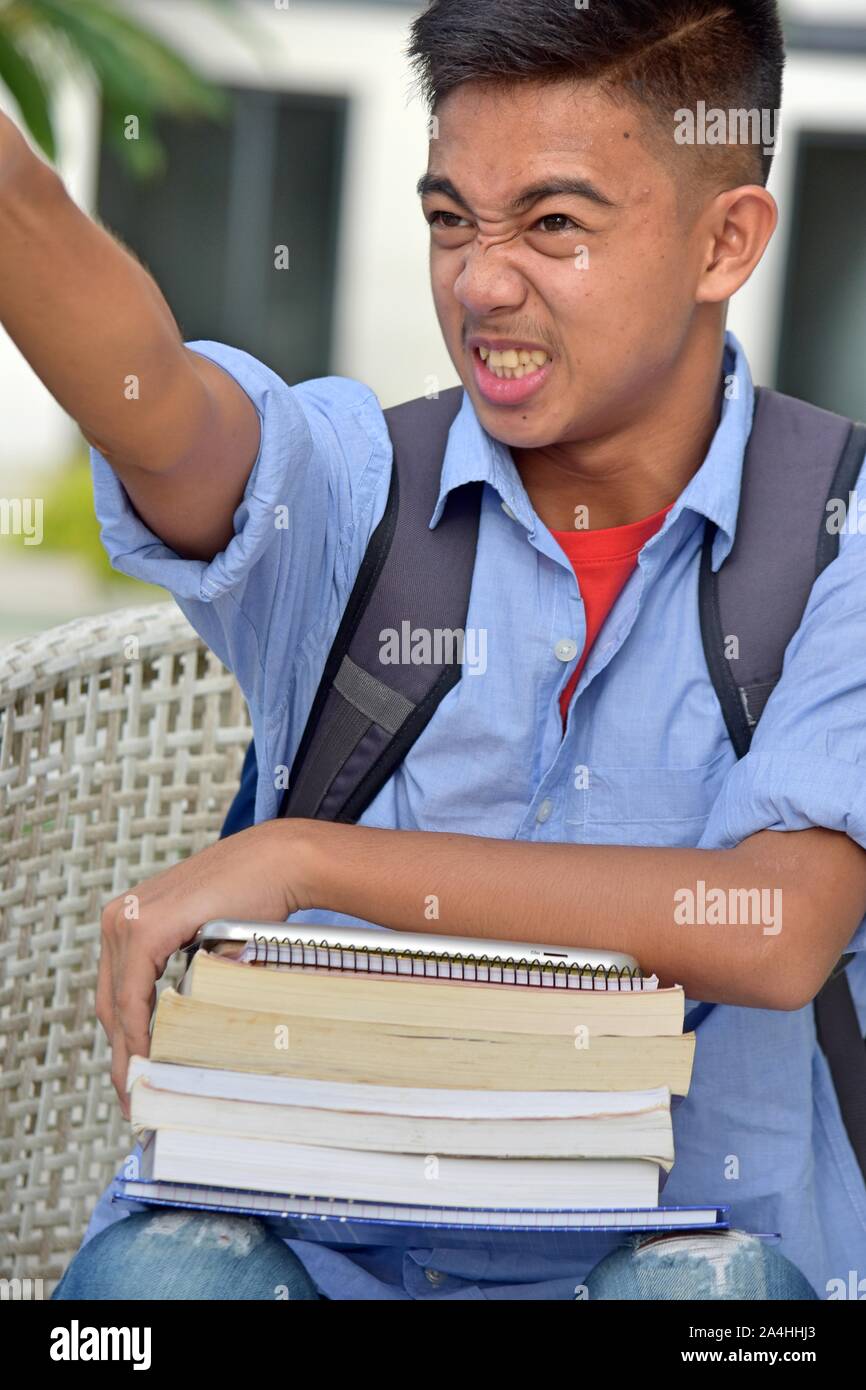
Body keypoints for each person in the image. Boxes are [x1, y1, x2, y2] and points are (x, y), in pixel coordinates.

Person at [2, 0, 863, 1300]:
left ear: (722, 239)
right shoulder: (353, 490)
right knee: (164, 1288)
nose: (480, 280)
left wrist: (302, 856)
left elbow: (774, 924)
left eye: (553, 224)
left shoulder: (838, 532)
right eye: (450, 218)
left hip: (681, 1254)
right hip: (298, 1251)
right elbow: (163, 418)